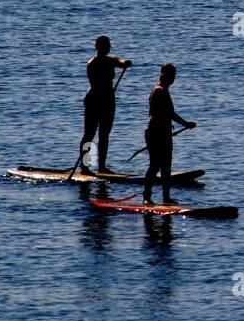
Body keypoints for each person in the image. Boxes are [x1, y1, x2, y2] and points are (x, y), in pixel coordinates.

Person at [142, 64, 196, 205]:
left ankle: (166, 198)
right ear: (164, 75)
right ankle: (146, 197)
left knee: (166, 166)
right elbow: (170, 113)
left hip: (163, 132)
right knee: (155, 165)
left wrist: (168, 124)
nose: (173, 79)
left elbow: (161, 113)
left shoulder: (159, 89)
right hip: (156, 133)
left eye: (174, 76)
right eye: (171, 75)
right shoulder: (160, 91)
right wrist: (186, 124)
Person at [80, 36, 131, 172]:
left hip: (108, 101)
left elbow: (120, 61)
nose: (107, 48)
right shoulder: (92, 64)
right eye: (105, 46)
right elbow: (98, 82)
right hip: (94, 101)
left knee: (104, 135)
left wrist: (125, 62)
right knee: (89, 134)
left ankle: (101, 167)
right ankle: (85, 166)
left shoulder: (111, 60)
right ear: (98, 47)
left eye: (108, 45)